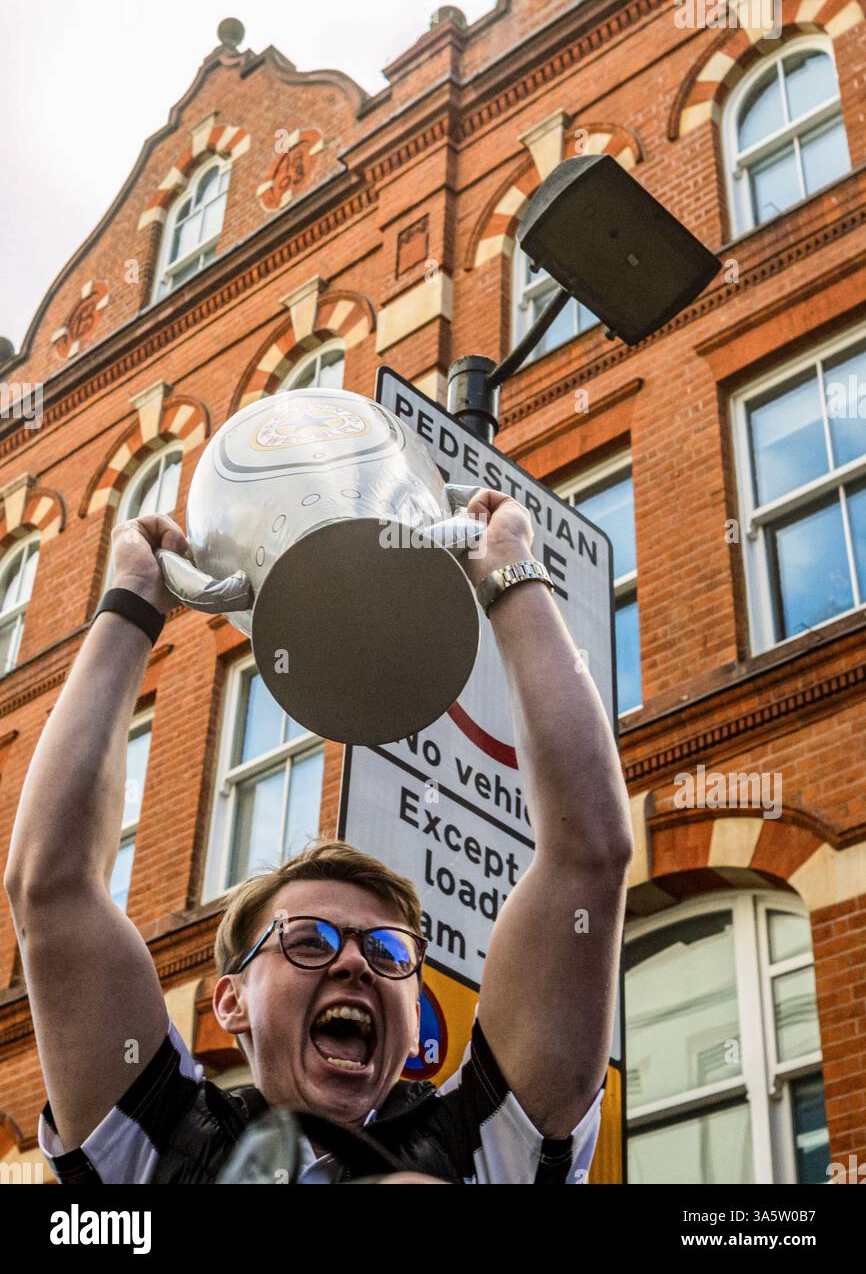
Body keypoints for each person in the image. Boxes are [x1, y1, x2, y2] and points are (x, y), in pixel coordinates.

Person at [4, 488, 634, 1184]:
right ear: (230, 1002)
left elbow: (589, 856)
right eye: (310, 940)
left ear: (414, 1008)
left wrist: (511, 570)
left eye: (391, 951)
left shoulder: (480, 1154)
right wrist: (132, 603)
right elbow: (49, 885)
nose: (356, 964)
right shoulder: (160, 1153)